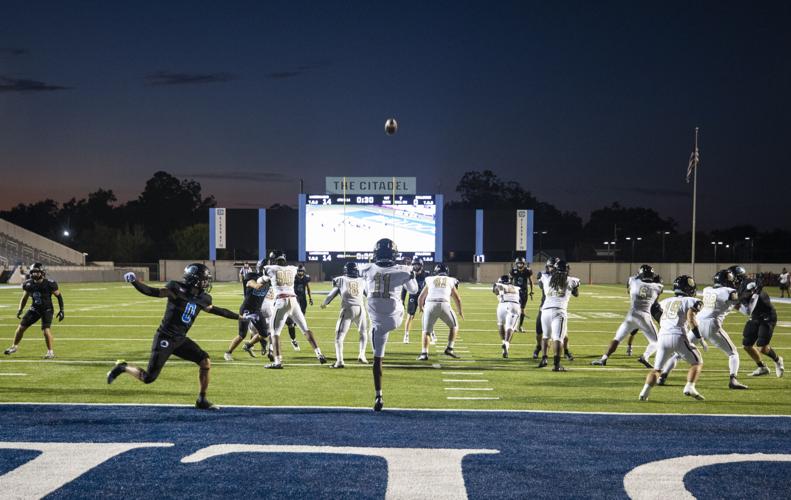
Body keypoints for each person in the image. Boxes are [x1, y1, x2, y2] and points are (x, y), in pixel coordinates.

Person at [106, 264, 240, 410]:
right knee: (148, 378)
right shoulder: (176, 288)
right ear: (194, 279)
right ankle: (123, 367)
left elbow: (217, 310)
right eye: (204, 279)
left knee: (205, 361)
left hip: (180, 339)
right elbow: (153, 291)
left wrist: (240, 317)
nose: (207, 282)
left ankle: (202, 399)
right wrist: (134, 282)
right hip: (165, 337)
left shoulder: (204, 297)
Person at [658, 269, 749, 389]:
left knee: (678, 354)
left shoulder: (707, 290)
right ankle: (733, 379)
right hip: (712, 324)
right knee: (733, 353)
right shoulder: (728, 291)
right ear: (727, 281)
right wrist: (749, 291)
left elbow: (734, 304)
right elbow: (738, 299)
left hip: (698, 323)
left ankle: (662, 376)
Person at [359, 238, 418, 411]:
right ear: (394, 254)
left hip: (377, 321)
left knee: (377, 359)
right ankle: (378, 397)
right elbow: (414, 290)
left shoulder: (367, 270)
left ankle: (378, 395)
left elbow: (364, 290)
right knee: (400, 303)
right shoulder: (403, 270)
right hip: (395, 318)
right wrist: (410, 275)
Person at [639, 275, 705, 401]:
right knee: (697, 363)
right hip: (679, 335)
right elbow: (691, 317)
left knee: (657, 369)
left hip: (663, 337)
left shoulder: (665, 302)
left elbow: (655, 312)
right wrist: (698, 336)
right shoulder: (691, 300)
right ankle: (689, 387)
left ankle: (644, 392)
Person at [260, 251, 326, 368]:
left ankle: (277, 362)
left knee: (275, 333)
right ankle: (319, 354)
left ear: (274, 259)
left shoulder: (270, 268)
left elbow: (262, 276)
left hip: (281, 301)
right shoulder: (293, 268)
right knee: (305, 329)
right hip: (294, 301)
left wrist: (264, 279)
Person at [592, 265, 661, 368]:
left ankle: (604, 359)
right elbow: (655, 301)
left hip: (631, 315)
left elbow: (629, 289)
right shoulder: (658, 287)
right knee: (656, 342)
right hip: (644, 316)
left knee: (617, 339)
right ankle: (645, 357)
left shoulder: (633, 281)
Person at [4, 263, 63, 359]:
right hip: (35, 308)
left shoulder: (49, 283)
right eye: (33, 272)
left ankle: (50, 352)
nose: (35, 274)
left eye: (37, 272)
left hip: (47, 309)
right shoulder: (28, 284)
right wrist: (20, 309)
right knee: (21, 328)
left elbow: (59, 296)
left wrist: (62, 310)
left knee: (45, 330)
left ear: (42, 272)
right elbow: (24, 298)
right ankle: (14, 346)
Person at [321, 262, 369, 368]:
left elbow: (331, 294)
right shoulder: (362, 281)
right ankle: (362, 355)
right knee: (363, 332)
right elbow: (368, 295)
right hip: (361, 309)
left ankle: (340, 361)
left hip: (348, 309)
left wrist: (325, 303)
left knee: (339, 336)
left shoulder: (341, 279)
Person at [737, 276, 784, 378]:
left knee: (762, 347)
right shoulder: (746, 287)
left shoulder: (761, 296)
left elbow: (748, 310)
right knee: (747, 345)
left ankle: (778, 360)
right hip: (755, 317)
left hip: (767, 318)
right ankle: (762, 367)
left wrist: (738, 304)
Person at [537, 260, 580, 371]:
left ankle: (544, 358)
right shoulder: (571, 280)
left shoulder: (547, 278)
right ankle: (556, 365)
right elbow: (576, 294)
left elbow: (540, 282)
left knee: (546, 336)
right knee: (557, 338)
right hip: (559, 311)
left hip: (545, 310)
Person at [416, 263, 463, 361]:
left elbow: (421, 297)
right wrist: (460, 311)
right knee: (454, 326)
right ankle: (449, 349)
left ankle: (424, 353)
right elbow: (457, 298)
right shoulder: (451, 280)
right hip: (444, 304)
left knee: (426, 331)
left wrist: (421, 307)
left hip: (430, 305)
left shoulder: (430, 279)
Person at [223, 265, 270, 361]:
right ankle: (228, 352)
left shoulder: (270, 281)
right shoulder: (251, 277)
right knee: (242, 334)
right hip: (247, 310)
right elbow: (256, 286)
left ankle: (248, 345)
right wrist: (266, 279)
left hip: (257, 310)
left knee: (264, 333)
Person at [533, 257, 557, 359]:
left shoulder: (563, 277)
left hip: (557, 307)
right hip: (544, 306)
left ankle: (565, 351)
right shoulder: (544, 276)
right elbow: (541, 286)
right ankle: (538, 346)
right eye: (549, 266)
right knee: (539, 330)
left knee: (558, 334)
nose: (550, 268)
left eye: (552, 266)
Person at [493, 274, 521, 358]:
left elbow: (495, 290)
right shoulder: (516, 288)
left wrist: (498, 289)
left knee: (501, 324)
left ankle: (504, 344)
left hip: (501, 306)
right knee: (510, 327)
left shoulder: (499, 285)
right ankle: (506, 343)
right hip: (514, 305)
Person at [403, 258, 429, 344]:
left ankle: (431, 333)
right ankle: (406, 335)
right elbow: (405, 288)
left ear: (421, 266)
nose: (415, 266)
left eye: (417, 265)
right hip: (413, 296)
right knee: (410, 316)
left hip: (423, 297)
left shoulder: (426, 274)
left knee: (428, 316)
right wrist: (402, 300)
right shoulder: (410, 274)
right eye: (414, 265)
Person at [510, 257, 534, 332]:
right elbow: (510, 281)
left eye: (521, 263)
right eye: (519, 263)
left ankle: (520, 326)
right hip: (515, 292)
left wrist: (532, 290)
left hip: (524, 292)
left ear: (524, 264)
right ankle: (513, 326)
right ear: (516, 264)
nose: (520, 265)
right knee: (514, 309)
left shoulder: (528, 270)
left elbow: (531, 281)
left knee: (522, 309)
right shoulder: (513, 271)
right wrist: (510, 290)